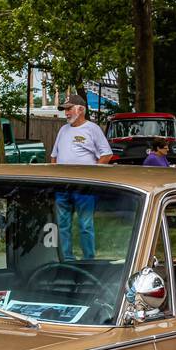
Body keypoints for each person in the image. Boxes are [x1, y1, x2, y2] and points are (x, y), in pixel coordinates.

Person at [48, 92, 113, 260]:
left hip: (84, 187)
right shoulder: (63, 129)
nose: (66, 113)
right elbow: (54, 156)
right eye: (65, 110)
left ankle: (88, 260)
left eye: (69, 109)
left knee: (85, 225)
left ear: (81, 109)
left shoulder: (93, 129)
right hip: (62, 186)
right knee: (62, 225)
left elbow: (106, 155)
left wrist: (91, 177)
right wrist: (55, 179)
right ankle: (66, 259)